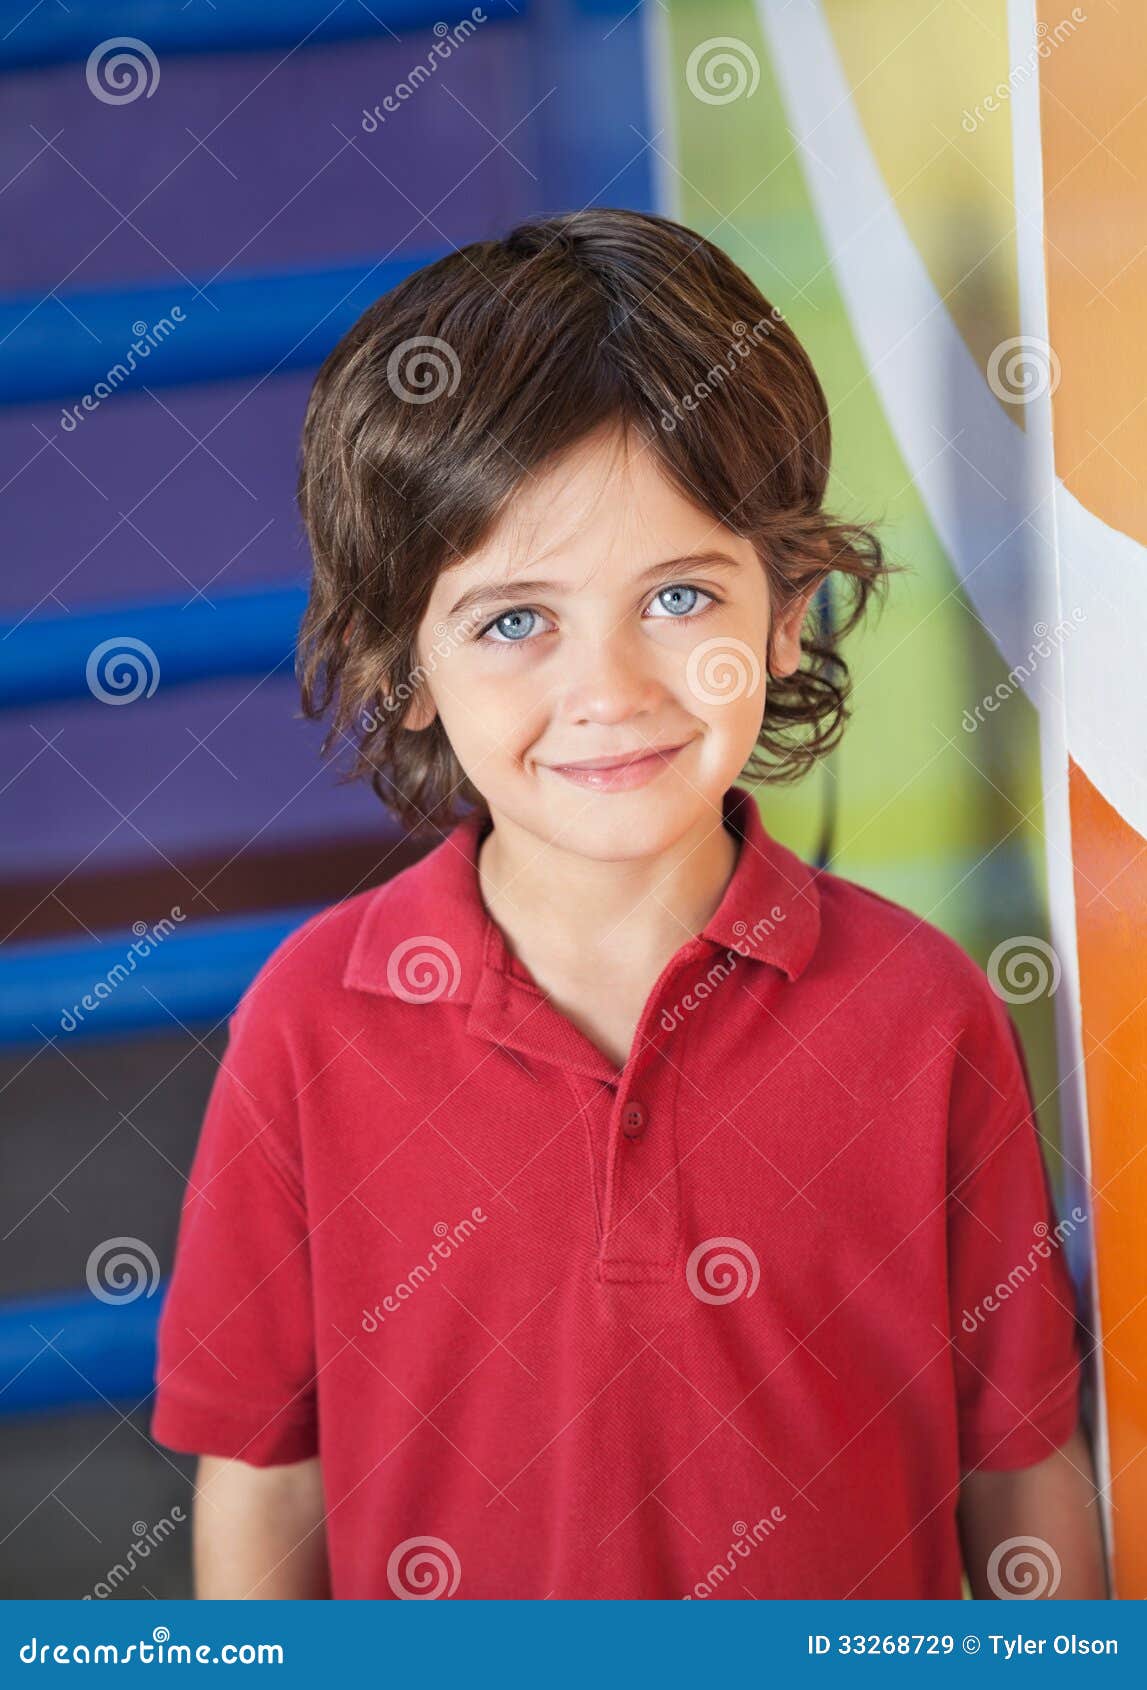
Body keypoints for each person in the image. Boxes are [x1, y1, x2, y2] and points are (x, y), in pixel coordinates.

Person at [150, 208, 1107, 1601]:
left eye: (676, 595)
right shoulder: (306, 1025)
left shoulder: (928, 1015)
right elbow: (262, 1475)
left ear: (787, 614)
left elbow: (1018, 1466)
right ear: (403, 662)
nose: (610, 689)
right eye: (513, 620)